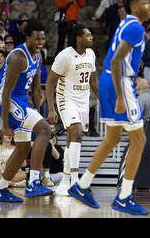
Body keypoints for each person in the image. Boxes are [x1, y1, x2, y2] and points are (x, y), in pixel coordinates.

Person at [68, 0, 150, 215]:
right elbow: (116, 62)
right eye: (145, 2)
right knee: (140, 140)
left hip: (109, 79)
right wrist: (122, 97)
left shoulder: (127, 23)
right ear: (134, 6)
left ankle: (82, 185)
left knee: (113, 138)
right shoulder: (136, 28)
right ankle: (124, 197)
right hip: (119, 82)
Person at [0, 20, 53, 203]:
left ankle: (0, 190)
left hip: (21, 101)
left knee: (23, 148)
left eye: (43, 38)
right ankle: (33, 182)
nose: (40, 42)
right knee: (45, 130)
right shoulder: (18, 57)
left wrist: (37, 112)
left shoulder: (38, 56)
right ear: (28, 37)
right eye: (37, 38)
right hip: (4, 98)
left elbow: (35, 86)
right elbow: (6, 91)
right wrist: (7, 125)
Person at [45, 24, 98, 196]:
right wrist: (51, 109)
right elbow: (50, 83)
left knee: (74, 138)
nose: (91, 38)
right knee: (75, 131)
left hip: (83, 100)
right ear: (78, 38)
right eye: (88, 35)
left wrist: (104, 101)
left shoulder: (90, 54)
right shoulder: (64, 56)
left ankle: (66, 181)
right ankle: (75, 180)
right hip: (66, 98)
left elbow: (93, 82)